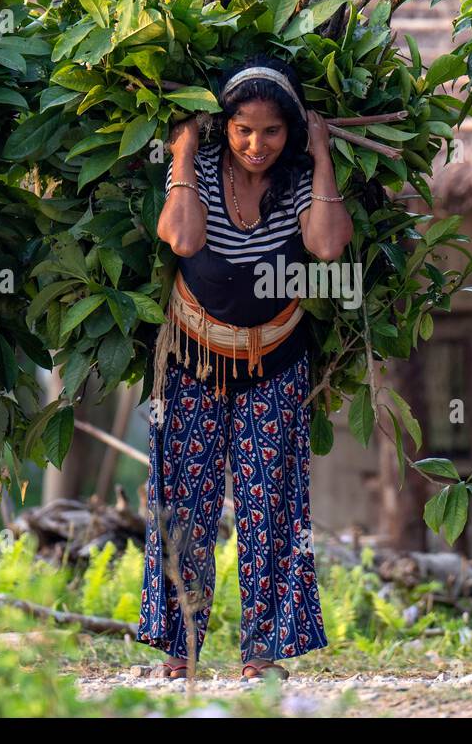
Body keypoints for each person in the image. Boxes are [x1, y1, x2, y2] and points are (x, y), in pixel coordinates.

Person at [137, 54, 353, 679]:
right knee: (185, 500)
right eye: (242, 129)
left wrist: (319, 153)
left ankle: (262, 653)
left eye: (272, 131)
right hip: (191, 359)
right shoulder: (199, 172)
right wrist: (182, 151)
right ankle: (182, 648)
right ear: (222, 126)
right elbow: (180, 239)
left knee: (270, 503)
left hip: (277, 359)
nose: (257, 144)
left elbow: (328, 244)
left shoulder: (297, 179)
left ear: (291, 132)